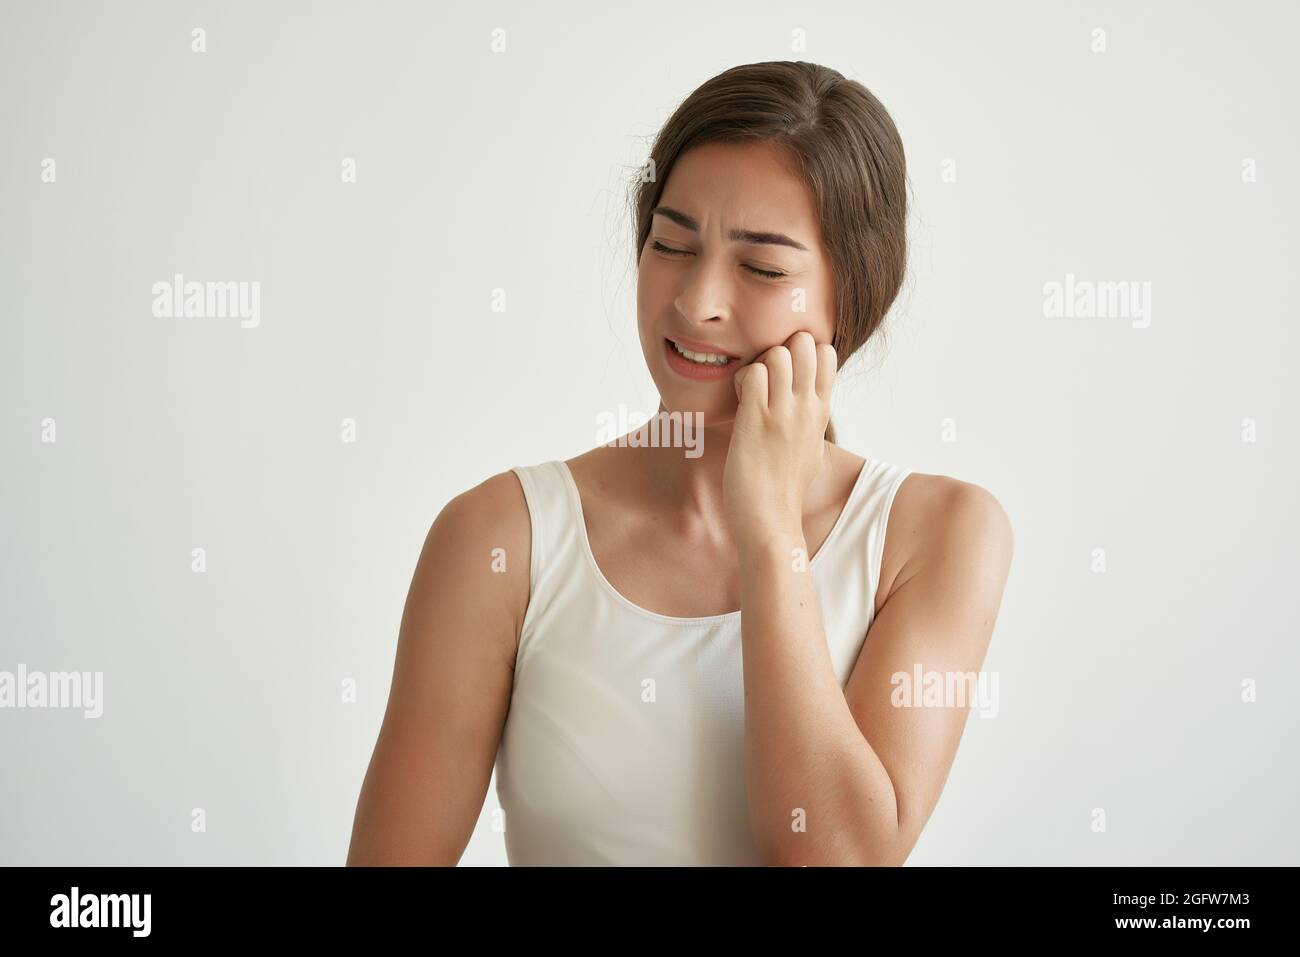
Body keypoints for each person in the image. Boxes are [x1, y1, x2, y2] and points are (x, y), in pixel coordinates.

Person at [347, 60, 1013, 866]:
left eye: (762, 267)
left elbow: (836, 859)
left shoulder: (938, 533)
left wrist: (769, 531)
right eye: (671, 243)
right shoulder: (501, 538)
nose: (698, 301)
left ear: (853, 295)